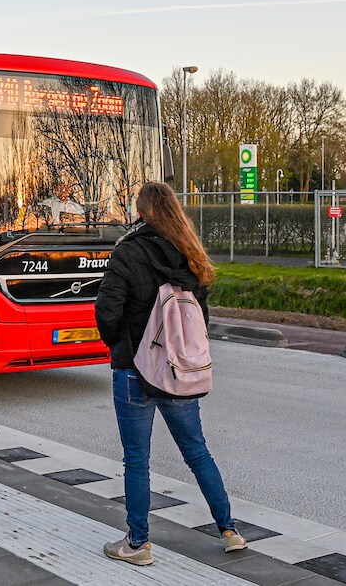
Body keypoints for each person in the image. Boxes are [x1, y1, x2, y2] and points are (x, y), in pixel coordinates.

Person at [95, 181, 247, 566]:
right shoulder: (190, 252)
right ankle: (229, 530)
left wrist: (121, 347)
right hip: (180, 370)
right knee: (197, 451)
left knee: (136, 459)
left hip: (135, 370)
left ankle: (138, 544)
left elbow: (107, 311)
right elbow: (201, 317)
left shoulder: (128, 252)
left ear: (141, 213)